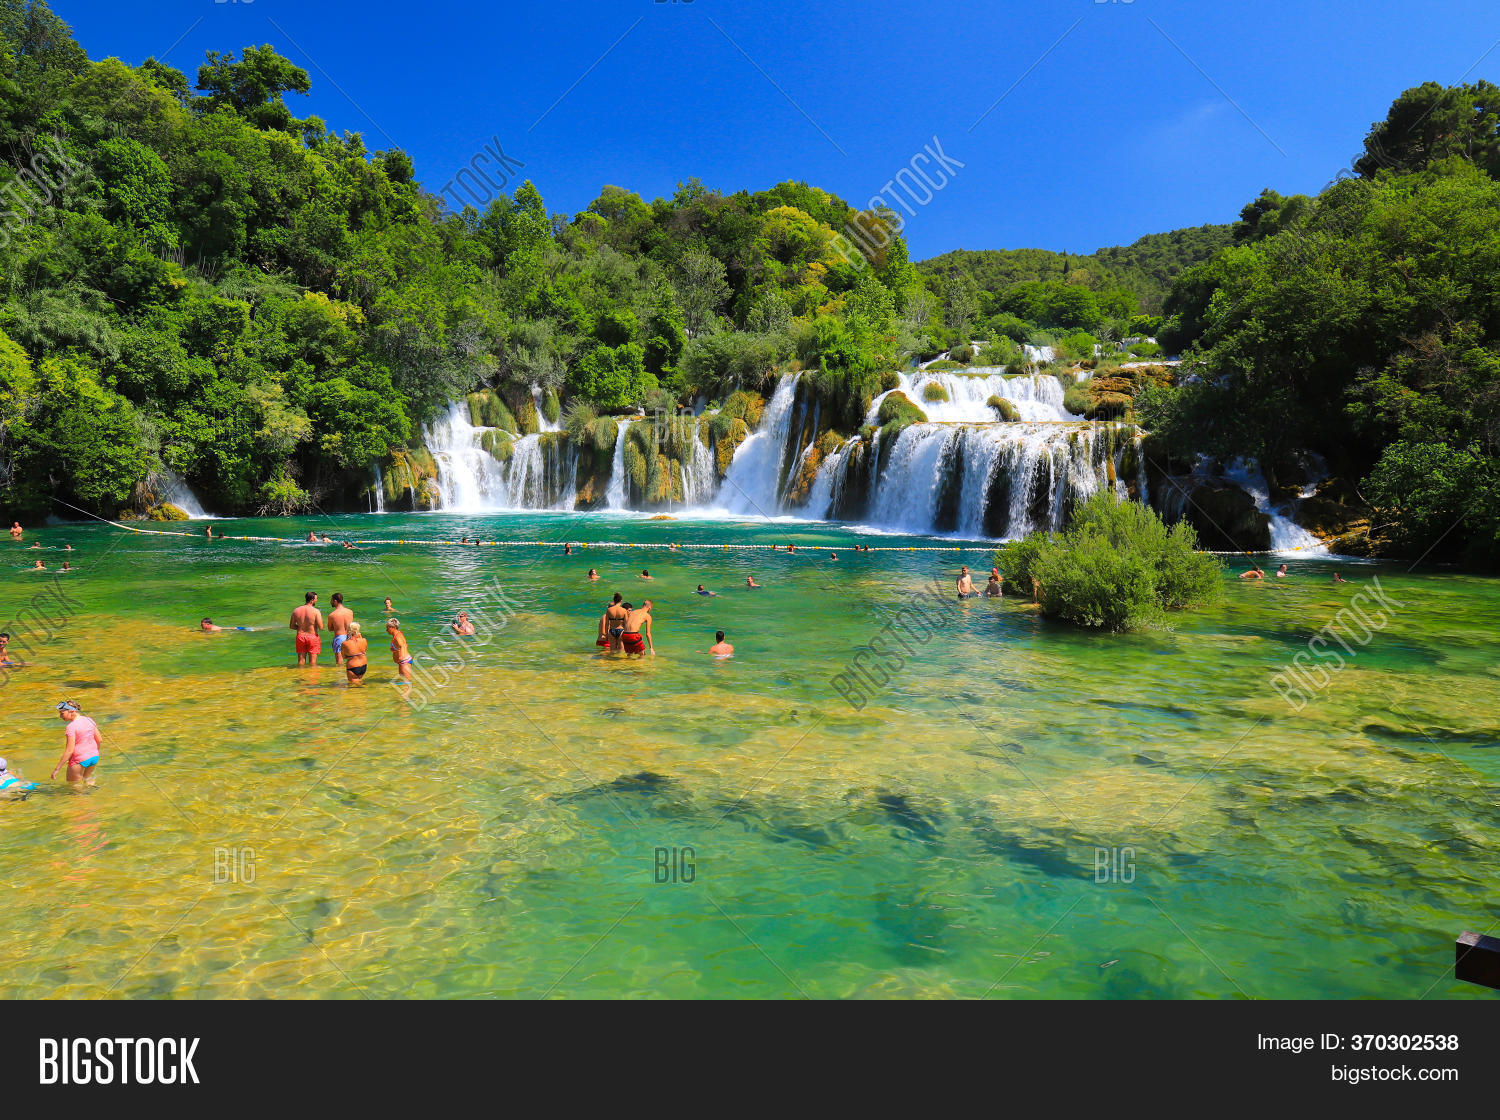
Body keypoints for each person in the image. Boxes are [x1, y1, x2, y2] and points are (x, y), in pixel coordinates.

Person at [50, 701, 101, 787]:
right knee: (87, 780)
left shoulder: (71, 727)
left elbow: (69, 750)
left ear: (71, 711)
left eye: (62, 713)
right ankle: (92, 797)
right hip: (94, 757)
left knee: (74, 788)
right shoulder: (89, 720)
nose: (60, 716)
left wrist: (57, 769)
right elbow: (99, 740)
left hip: (78, 760)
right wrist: (92, 753)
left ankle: (81, 799)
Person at [290, 591, 324, 667]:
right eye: (316, 599)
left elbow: (292, 626)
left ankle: (301, 677)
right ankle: (312, 678)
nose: (316, 600)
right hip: (312, 636)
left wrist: (301, 627)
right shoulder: (316, 611)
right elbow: (321, 627)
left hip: (300, 636)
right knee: (313, 662)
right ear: (312, 600)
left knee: (301, 661)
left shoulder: (296, 610)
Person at [328, 592, 354, 665]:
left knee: (339, 660)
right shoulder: (350, 612)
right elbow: (351, 626)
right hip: (350, 637)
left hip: (339, 637)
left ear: (335, 601)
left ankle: (340, 674)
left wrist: (337, 627)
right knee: (350, 658)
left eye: (331, 600)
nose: (330, 602)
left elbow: (330, 628)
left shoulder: (332, 615)